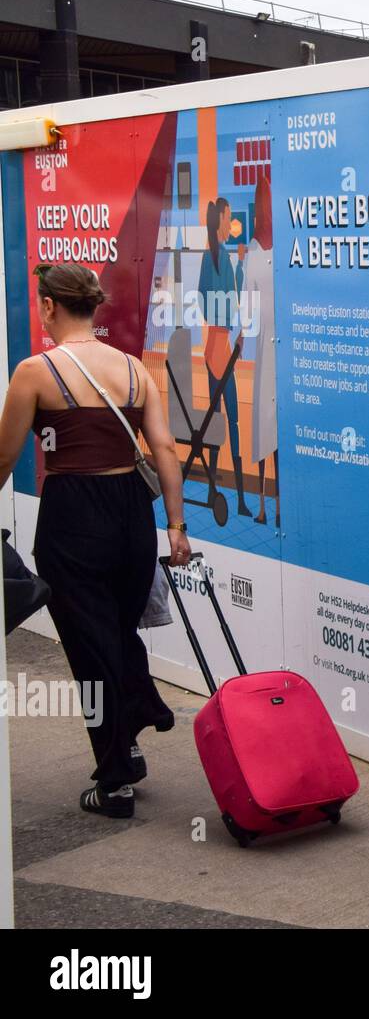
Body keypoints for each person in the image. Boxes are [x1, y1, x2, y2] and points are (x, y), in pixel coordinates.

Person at [0, 263, 193, 818]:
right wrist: (175, 527)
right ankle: (128, 741)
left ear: (49, 306)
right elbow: (165, 450)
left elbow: (4, 455)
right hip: (133, 516)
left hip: (73, 516)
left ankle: (114, 784)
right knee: (118, 633)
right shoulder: (133, 368)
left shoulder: (35, 371)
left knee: (91, 649)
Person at [198, 197, 252, 517]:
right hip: (220, 348)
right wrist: (241, 265)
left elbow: (211, 298)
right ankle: (233, 497)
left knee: (221, 422)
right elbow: (227, 297)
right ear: (219, 219)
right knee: (228, 422)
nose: (232, 223)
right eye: (229, 217)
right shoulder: (215, 256)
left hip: (216, 346)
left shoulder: (218, 256)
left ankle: (213, 491)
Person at [245, 176, 279, 526]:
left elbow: (247, 307)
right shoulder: (257, 253)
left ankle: (269, 506)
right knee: (267, 429)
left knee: (271, 429)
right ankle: (268, 506)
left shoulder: (259, 252)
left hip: (275, 349)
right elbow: (247, 307)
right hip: (271, 349)